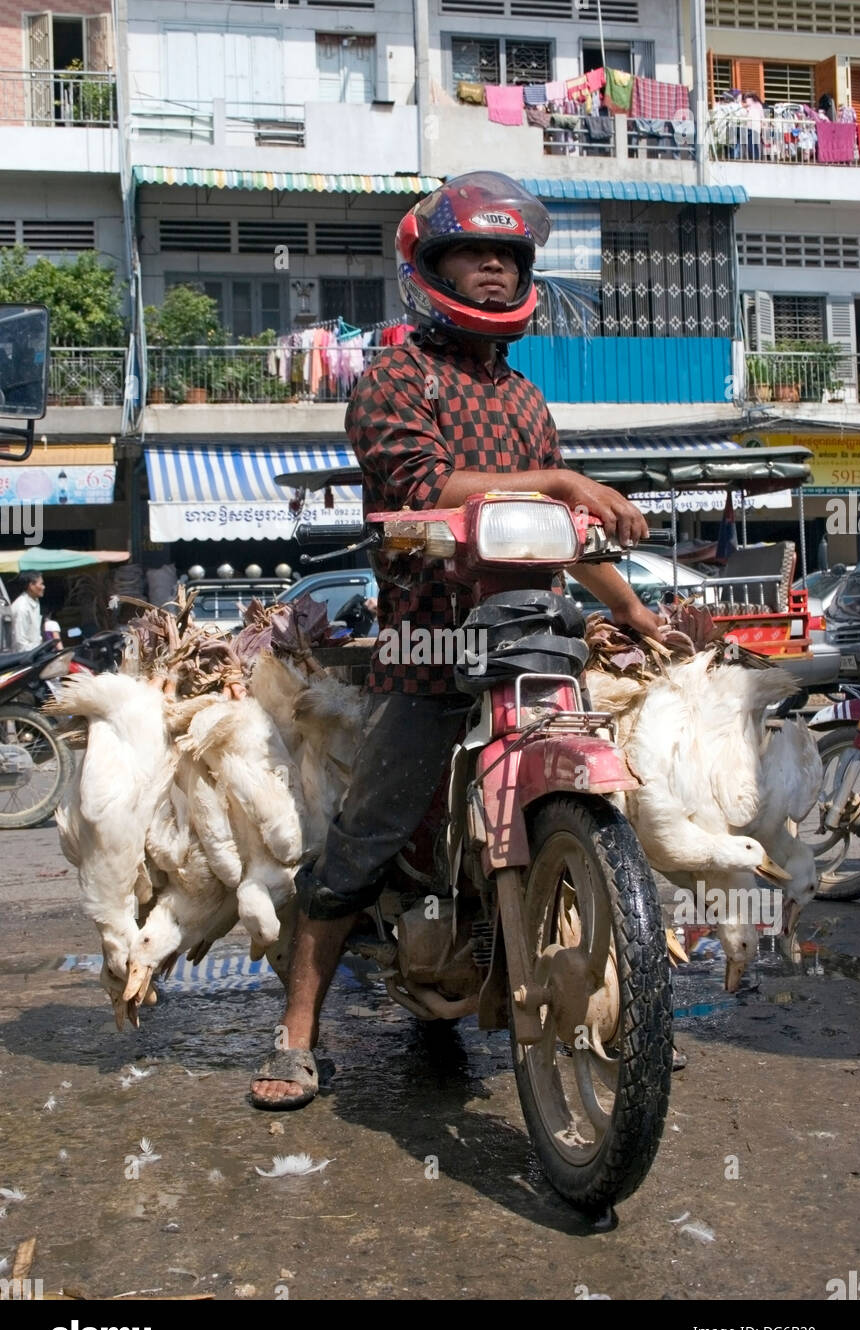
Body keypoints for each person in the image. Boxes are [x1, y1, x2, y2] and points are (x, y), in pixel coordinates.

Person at [250, 172, 663, 1109]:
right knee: (370, 835)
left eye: (507, 256)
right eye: (472, 253)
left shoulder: (526, 401)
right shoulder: (397, 376)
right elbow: (420, 483)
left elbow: (563, 534)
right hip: (430, 646)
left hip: (530, 644)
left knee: (597, 800)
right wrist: (554, 483)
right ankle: (297, 1034)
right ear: (429, 268)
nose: (491, 269)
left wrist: (631, 608)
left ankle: (629, 1001)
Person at [9, 570, 45, 651]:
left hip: (36, 652)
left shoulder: (34, 601)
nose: (43, 587)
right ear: (31, 586)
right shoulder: (21, 607)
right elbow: (20, 643)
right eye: (41, 584)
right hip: (25, 657)